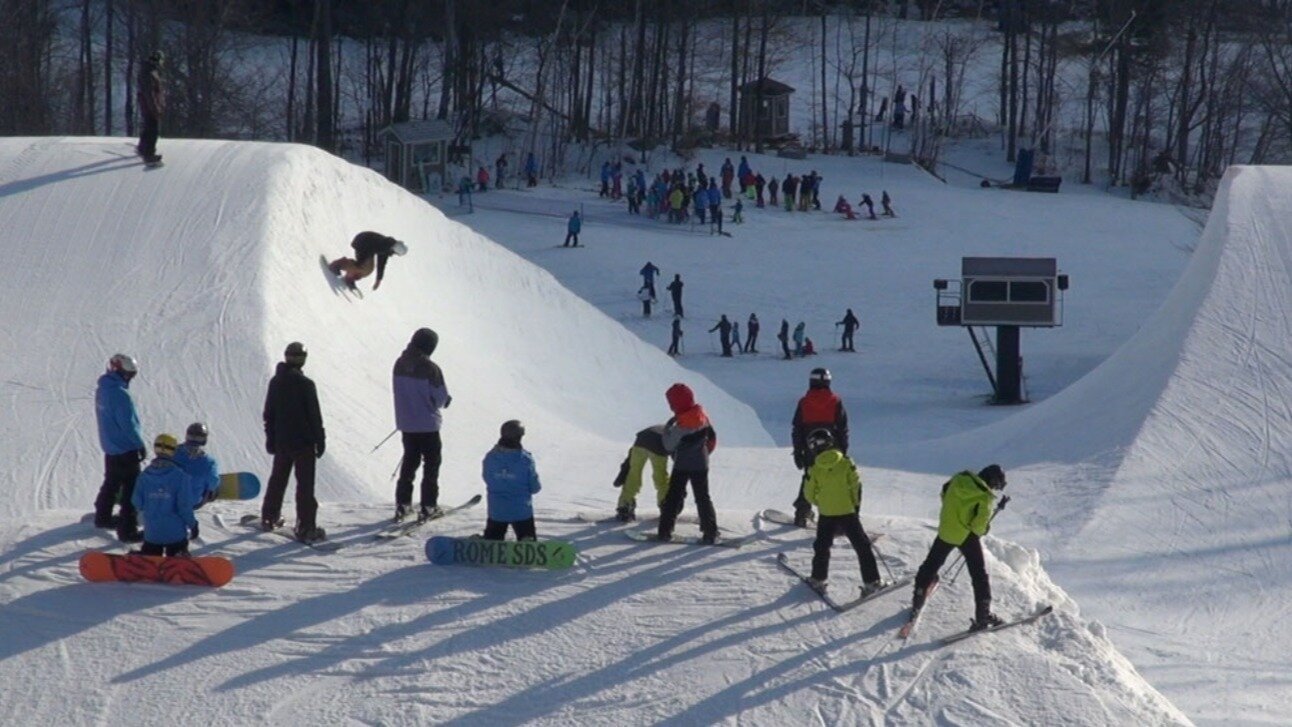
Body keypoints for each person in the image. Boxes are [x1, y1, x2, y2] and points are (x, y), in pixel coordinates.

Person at [910, 465, 1009, 631]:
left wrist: (954, 512)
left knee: (932, 563)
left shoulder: (959, 478)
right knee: (979, 575)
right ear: (992, 481)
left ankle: (919, 595)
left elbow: (944, 492)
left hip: (947, 528)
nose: (994, 489)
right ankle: (983, 616)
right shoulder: (985, 497)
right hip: (965, 537)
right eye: (995, 485)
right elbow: (978, 528)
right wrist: (983, 528)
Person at [801, 429, 887, 594]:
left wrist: (822, 502)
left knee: (822, 547)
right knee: (862, 546)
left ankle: (818, 579)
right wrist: (854, 505)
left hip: (826, 513)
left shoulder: (814, 469)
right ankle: (872, 582)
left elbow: (809, 494)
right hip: (848, 512)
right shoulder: (846, 462)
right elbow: (856, 486)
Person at [261, 342, 327, 542]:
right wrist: (320, 440)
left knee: (278, 479)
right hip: (304, 444)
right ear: (302, 359)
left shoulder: (276, 382)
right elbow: (314, 416)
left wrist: (271, 438)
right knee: (305, 486)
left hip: (282, 441)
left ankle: (269, 516)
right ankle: (306, 527)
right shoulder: (306, 384)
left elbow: (268, 414)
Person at [392, 328, 451, 523]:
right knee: (431, 466)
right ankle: (428, 506)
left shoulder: (399, 363)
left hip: (406, 423)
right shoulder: (430, 368)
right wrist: (445, 400)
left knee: (409, 463)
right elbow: (440, 399)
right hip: (428, 425)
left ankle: (402, 504)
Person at [93, 353, 147, 541]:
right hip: (126, 449)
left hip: (110, 447)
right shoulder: (121, 395)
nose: (130, 378)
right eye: (129, 374)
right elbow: (128, 425)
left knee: (111, 482)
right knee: (131, 489)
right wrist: (139, 444)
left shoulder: (103, 389)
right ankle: (127, 530)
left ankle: (102, 516)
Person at [657, 383, 719, 543]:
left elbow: (668, 445)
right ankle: (710, 532)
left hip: (682, 465)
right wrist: (704, 454)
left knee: (673, 497)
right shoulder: (702, 415)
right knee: (703, 497)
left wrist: (667, 428)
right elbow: (712, 437)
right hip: (701, 464)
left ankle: (664, 532)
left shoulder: (680, 426)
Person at [791, 367, 849, 526]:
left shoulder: (804, 402)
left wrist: (797, 451)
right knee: (832, 481)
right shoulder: (835, 401)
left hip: (810, 448)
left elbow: (797, 428)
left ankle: (801, 513)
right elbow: (842, 428)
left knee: (809, 478)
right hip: (832, 448)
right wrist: (844, 450)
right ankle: (834, 517)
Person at [131, 433, 198, 556]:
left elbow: (137, 502)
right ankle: (179, 559)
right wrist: (193, 525)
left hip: (152, 534)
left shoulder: (144, 477)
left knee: (150, 555)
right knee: (178, 553)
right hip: (175, 535)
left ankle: (146, 559)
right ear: (173, 451)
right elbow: (184, 506)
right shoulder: (181, 477)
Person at [480, 420, 542, 540]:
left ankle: (490, 543)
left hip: (496, 510)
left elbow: (487, 478)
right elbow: (535, 488)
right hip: (521, 510)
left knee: (493, 537)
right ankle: (527, 544)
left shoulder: (490, 457)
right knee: (527, 538)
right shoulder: (525, 460)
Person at [613, 425, 670, 521]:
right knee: (661, 477)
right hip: (659, 445)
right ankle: (665, 504)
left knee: (633, 474)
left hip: (640, 442)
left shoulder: (665, 427)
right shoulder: (677, 432)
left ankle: (625, 505)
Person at [328, 231, 408, 292]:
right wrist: (360, 263)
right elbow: (372, 253)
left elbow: (381, 263)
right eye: (396, 253)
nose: (394, 254)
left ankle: (350, 277)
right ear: (395, 250)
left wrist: (378, 279)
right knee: (363, 268)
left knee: (367, 269)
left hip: (366, 247)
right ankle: (337, 265)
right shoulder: (385, 246)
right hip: (362, 244)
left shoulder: (388, 247)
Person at [172, 422, 219, 509]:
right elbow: (213, 482)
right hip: (192, 502)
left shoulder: (173, 453)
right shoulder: (209, 462)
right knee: (211, 482)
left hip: (168, 499)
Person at [136, 50, 165, 164]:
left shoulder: (148, 70)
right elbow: (150, 93)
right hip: (149, 105)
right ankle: (149, 154)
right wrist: (155, 108)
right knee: (153, 129)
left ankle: (142, 147)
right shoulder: (149, 72)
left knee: (148, 126)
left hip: (147, 104)